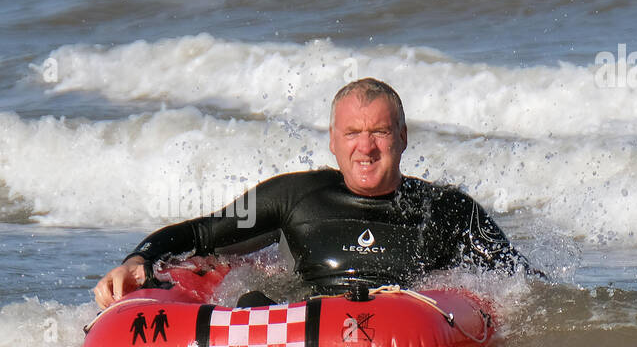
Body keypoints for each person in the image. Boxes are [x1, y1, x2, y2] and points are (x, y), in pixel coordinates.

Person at [94, 78, 539, 308]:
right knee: (251, 304)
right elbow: (202, 232)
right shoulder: (295, 197)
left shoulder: (446, 210)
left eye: (380, 132)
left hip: (408, 334)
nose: (365, 147)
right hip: (304, 336)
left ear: (403, 138)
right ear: (332, 141)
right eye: (352, 133)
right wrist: (138, 259)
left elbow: (521, 285)